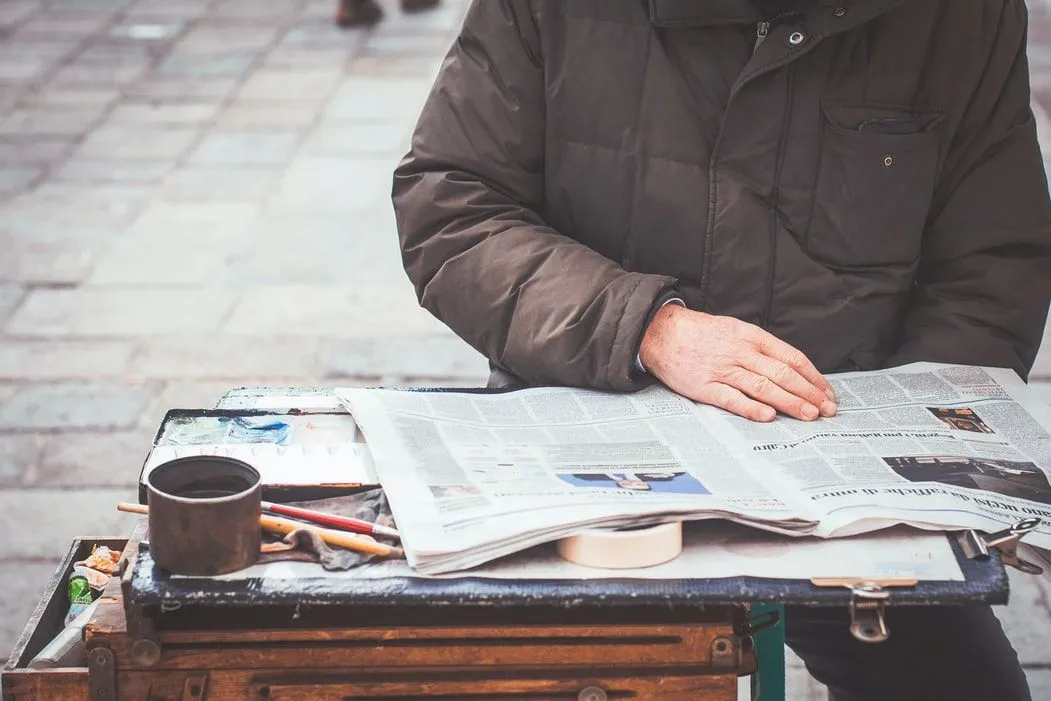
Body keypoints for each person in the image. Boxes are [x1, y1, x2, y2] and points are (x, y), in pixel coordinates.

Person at [391, 1, 1051, 699]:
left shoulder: (957, 16)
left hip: (839, 466)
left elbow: (990, 266)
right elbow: (452, 207)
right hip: (598, 421)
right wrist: (646, 327)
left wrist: (908, 449)